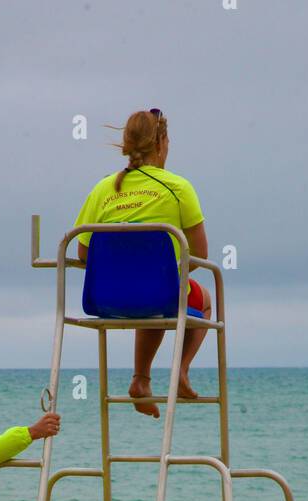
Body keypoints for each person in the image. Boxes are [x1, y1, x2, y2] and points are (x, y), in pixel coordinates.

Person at [74, 109, 211, 417]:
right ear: (161, 142)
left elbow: (83, 253)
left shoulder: (103, 188)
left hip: (104, 299)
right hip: (158, 297)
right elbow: (199, 254)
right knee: (197, 298)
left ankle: (142, 379)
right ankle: (181, 371)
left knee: (154, 291)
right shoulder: (178, 188)